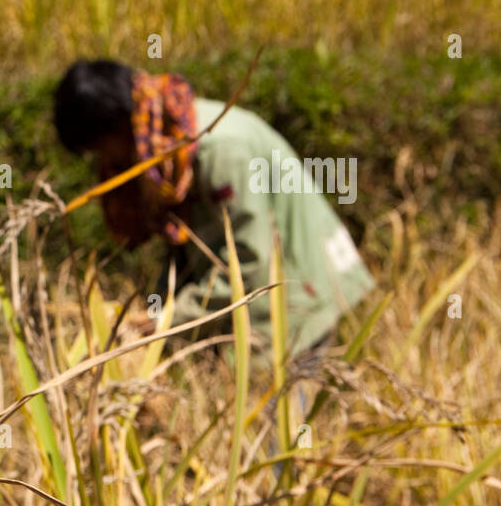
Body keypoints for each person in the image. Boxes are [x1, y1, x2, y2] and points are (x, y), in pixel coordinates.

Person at [52, 59, 374, 358]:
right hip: (275, 304)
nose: (106, 164)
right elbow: (191, 248)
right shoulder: (170, 149)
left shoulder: (218, 150)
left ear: (116, 126)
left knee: (286, 416)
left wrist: (168, 320)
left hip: (299, 297)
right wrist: (156, 312)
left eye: (100, 151)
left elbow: (249, 260)